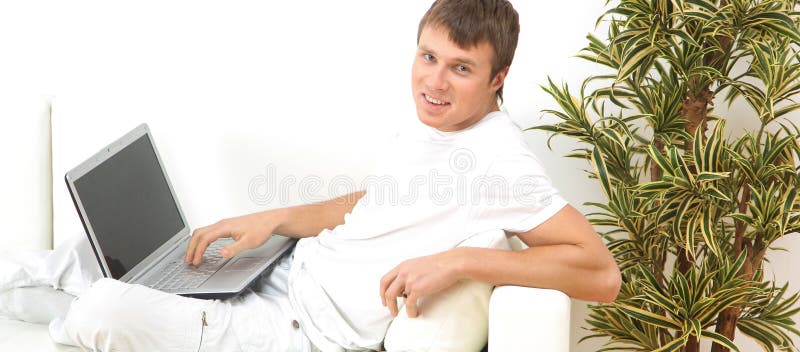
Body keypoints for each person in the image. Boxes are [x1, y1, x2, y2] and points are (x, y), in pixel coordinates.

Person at [1, 0, 621, 351]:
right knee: (113, 250)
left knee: (100, 308)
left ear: (498, 78)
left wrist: (462, 263)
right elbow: (376, 201)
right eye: (428, 57)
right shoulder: (435, 123)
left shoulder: (498, 160)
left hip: (295, 333)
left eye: (460, 69)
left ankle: (71, 306)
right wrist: (270, 219)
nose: (433, 82)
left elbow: (600, 273)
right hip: (284, 270)